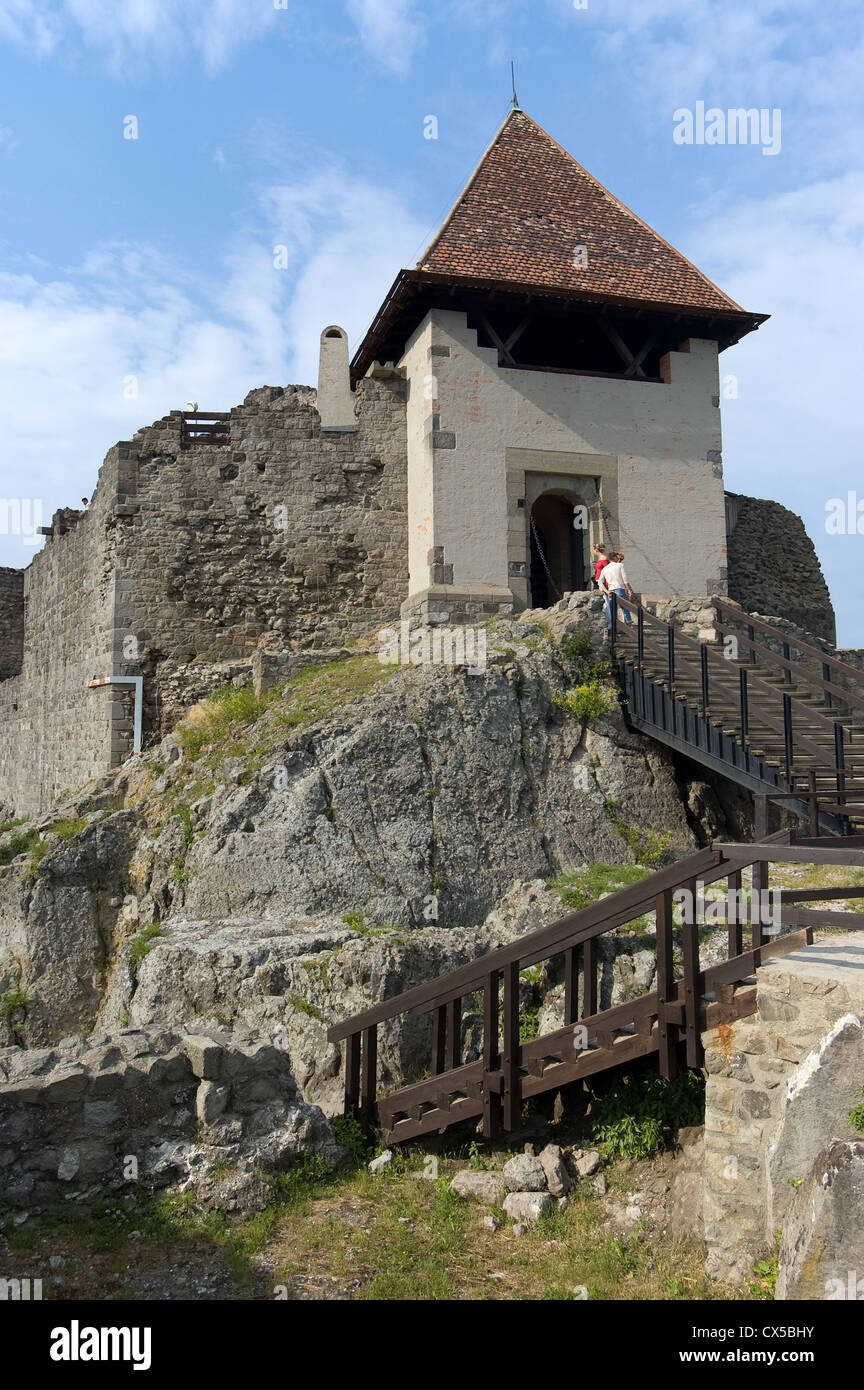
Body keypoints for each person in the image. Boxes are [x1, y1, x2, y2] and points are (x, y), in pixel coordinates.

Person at [600, 551, 633, 632]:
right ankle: (628, 624)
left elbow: (600, 582)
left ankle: (615, 626)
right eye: (617, 557)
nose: (618, 558)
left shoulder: (605, 569)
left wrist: (606, 591)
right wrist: (628, 590)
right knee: (625, 607)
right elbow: (625, 579)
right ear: (614, 557)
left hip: (611, 590)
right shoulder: (620, 565)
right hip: (620, 588)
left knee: (613, 609)